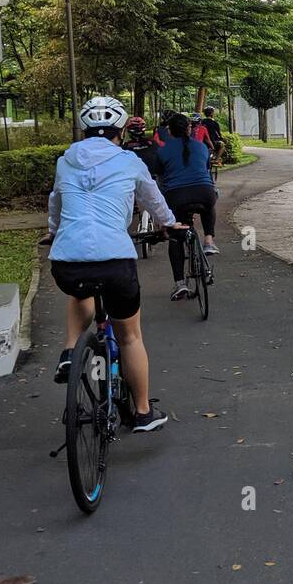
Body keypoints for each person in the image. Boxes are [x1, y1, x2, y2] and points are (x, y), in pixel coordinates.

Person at [47, 96, 186, 432]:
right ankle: (141, 413)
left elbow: (57, 202)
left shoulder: (66, 161)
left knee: (79, 291)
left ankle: (69, 351)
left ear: (84, 130)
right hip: (115, 261)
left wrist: (53, 233)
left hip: (67, 262)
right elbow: (152, 199)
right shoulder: (129, 161)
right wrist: (169, 225)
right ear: (121, 130)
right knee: (130, 338)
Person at [155, 112, 220, 300]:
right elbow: (205, 173)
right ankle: (209, 241)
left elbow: (160, 181)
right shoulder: (201, 147)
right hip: (204, 192)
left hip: (177, 197)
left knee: (176, 238)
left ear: (169, 131)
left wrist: (163, 210)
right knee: (209, 202)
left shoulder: (162, 151)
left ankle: (180, 284)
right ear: (190, 129)